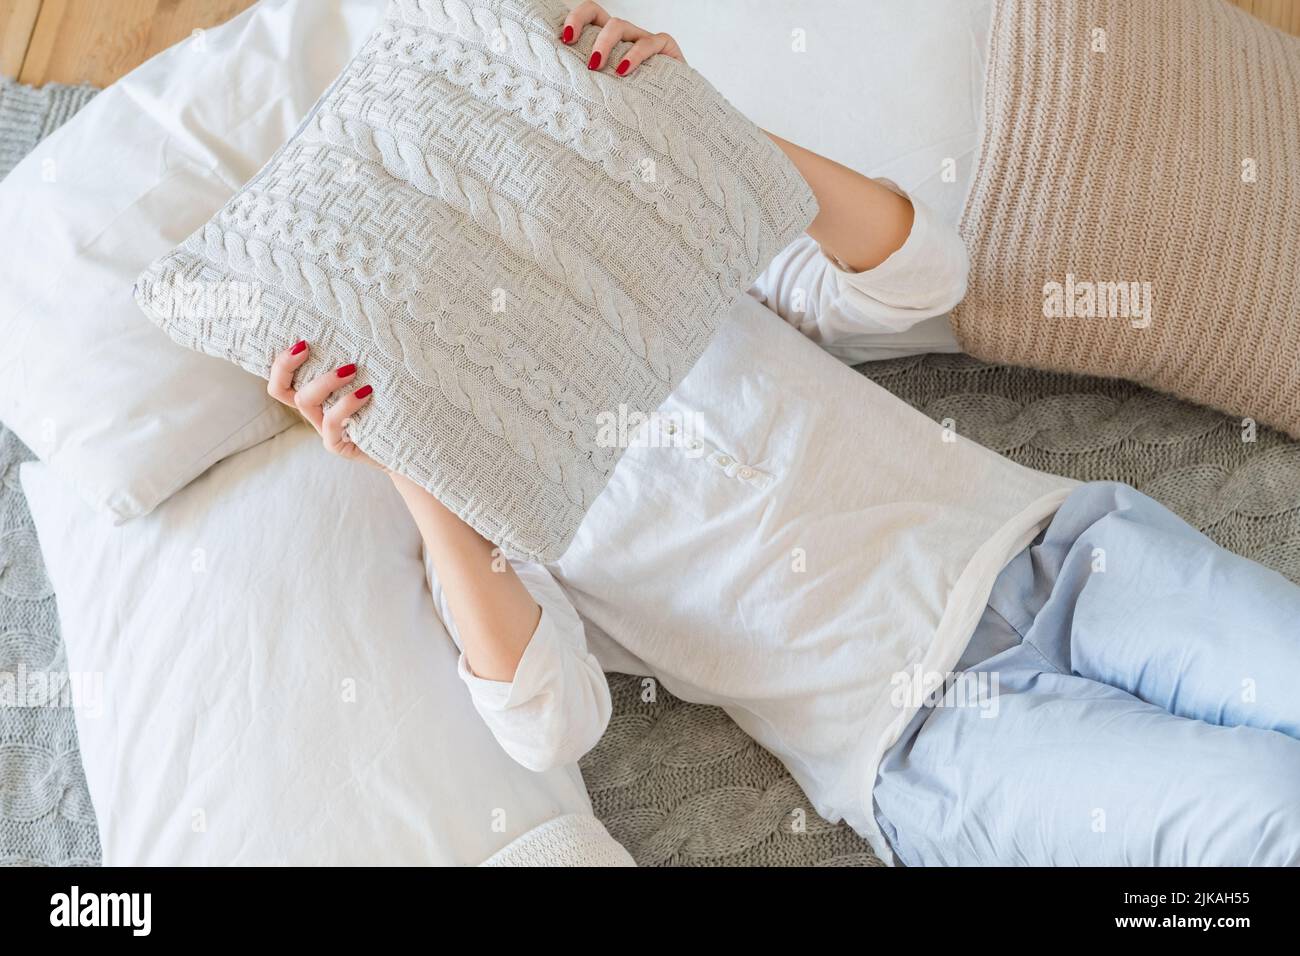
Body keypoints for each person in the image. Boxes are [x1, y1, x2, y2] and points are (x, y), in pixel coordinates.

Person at [263, 2, 1300, 865]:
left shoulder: (658, 263)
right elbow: (546, 717)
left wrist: (717, 136)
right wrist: (410, 450)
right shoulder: (491, 495)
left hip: (1060, 549)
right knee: (1269, 807)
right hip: (925, 738)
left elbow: (918, 273)